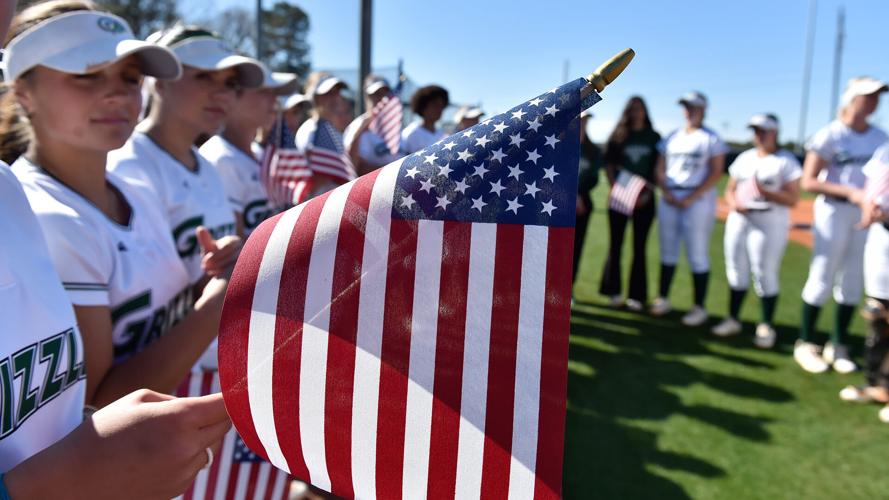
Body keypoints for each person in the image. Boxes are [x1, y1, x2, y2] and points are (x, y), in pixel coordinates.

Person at [2, 2, 235, 410]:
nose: (116, 93)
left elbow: (170, 314)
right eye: (87, 76)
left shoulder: (133, 186)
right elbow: (95, 407)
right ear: (23, 92)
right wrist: (218, 302)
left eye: (129, 78)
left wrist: (221, 269)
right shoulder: (45, 216)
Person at [107, 25, 262, 287]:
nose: (222, 94)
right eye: (204, 76)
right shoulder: (128, 165)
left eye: (230, 83)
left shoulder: (203, 163)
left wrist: (234, 255)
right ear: (160, 82)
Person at [795, 77, 889, 374]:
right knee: (822, 274)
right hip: (834, 211)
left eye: (877, 97)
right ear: (852, 98)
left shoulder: (881, 138)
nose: (874, 102)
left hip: (867, 218)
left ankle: (839, 343)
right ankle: (807, 342)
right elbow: (808, 181)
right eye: (868, 96)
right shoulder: (830, 135)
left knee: (853, 280)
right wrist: (851, 193)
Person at [712, 114, 801, 348]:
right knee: (736, 270)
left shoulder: (785, 160)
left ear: (774, 132)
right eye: (755, 130)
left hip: (768, 221)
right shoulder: (745, 158)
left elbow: (793, 198)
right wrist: (733, 203)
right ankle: (733, 319)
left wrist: (765, 192)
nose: (758, 135)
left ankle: (766, 325)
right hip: (740, 219)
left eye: (763, 130)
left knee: (764, 273)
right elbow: (730, 190)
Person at [651, 91, 728, 326]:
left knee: (697, 253)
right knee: (668, 250)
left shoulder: (711, 138)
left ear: (703, 109)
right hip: (671, 197)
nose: (688, 110)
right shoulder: (672, 136)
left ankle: (699, 307)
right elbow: (660, 169)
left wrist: (691, 197)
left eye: (692, 106)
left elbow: (717, 172)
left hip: (697, 200)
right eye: (685, 106)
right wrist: (666, 191)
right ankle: (663, 298)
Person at [200, 67, 298, 239]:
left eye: (275, 93)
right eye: (265, 91)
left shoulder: (260, 154)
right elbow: (235, 249)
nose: (275, 101)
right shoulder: (221, 159)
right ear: (233, 97)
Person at [839, 143, 889, 422]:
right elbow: (872, 187)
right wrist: (868, 203)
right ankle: (877, 385)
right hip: (882, 235)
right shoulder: (885, 151)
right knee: (878, 313)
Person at [598, 96, 660, 311]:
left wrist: (646, 192)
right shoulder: (618, 135)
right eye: (632, 109)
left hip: (646, 198)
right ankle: (613, 291)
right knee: (616, 245)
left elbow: (658, 168)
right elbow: (609, 165)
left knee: (639, 247)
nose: (636, 113)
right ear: (627, 111)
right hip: (620, 197)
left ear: (645, 111)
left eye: (639, 108)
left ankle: (636, 296)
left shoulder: (654, 137)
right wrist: (617, 188)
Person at [296, 71, 356, 197]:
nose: (335, 98)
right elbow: (308, 184)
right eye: (328, 93)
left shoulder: (332, 130)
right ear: (314, 98)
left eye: (337, 92)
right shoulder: (311, 132)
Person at [343, 74, 405, 175]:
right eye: (376, 94)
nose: (382, 98)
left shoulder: (394, 124)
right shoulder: (358, 126)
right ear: (366, 97)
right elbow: (355, 167)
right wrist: (394, 174)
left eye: (385, 93)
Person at [573, 110, 601, 288]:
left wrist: (580, 195)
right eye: (580, 120)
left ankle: (570, 288)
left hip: (583, 205)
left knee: (577, 248)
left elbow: (594, 178)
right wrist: (571, 195)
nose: (583, 124)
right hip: (558, 205)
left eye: (585, 121)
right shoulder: (559, 144)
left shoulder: (593, 150)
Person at [402, 84, 449, 154]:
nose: (439, 109)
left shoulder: (443, 135)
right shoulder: (411, 133)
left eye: (442, 105)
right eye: (435, 105)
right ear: (423, 106)